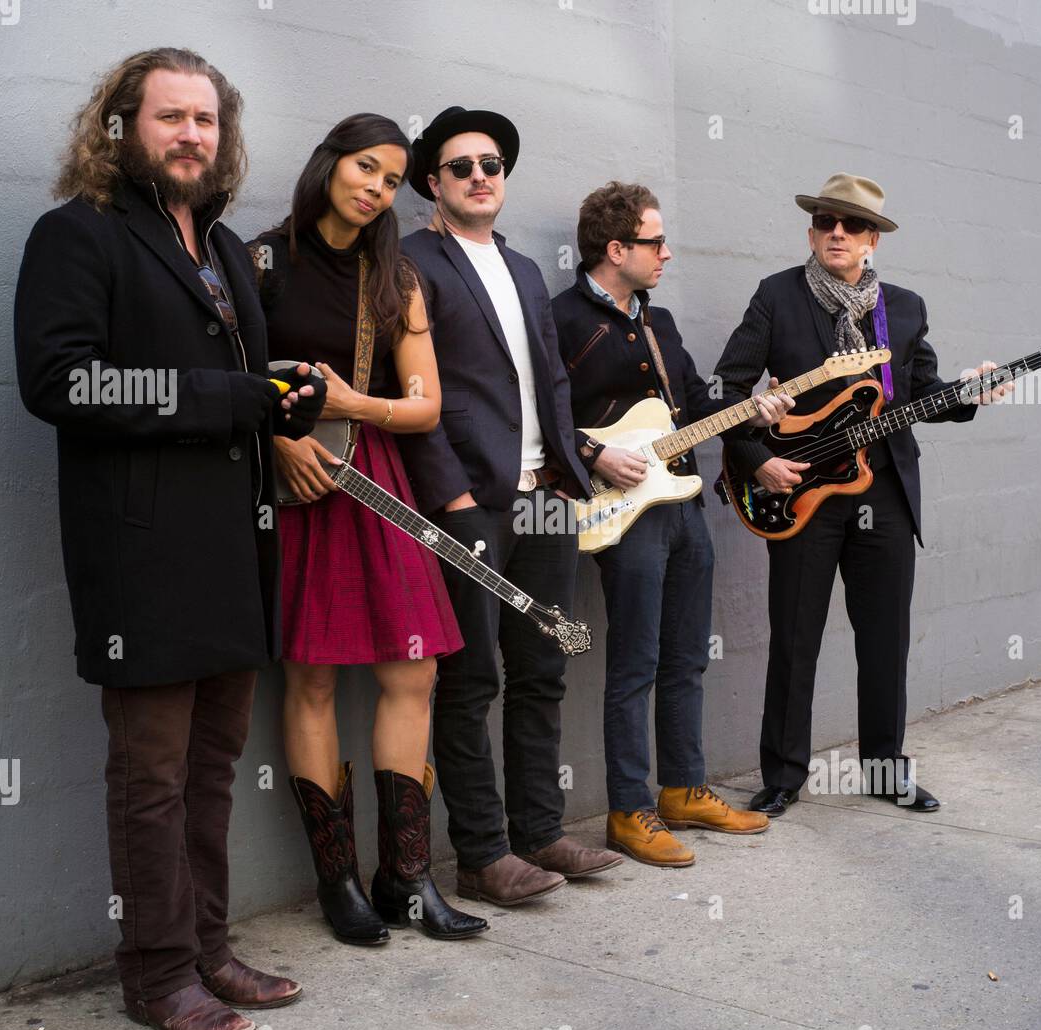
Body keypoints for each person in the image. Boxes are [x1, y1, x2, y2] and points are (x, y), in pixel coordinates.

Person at [14, 47, 327, 1030]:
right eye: (171, 117)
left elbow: (234, 374)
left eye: (207, 120)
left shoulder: (228, 248)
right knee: (149, 778)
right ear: (122, 127)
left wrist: (283, 396)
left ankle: (208, 947)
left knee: (213, 767)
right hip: (142, 560)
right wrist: (234, 397)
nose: (194, 136)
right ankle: (156, 975)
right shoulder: (78, 236)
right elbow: (64, 384)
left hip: (235, 551)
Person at [249, 113, 486, 943]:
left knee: (411, 673)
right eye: (366, 168)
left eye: (390, 179)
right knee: (309, 678)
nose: (376, 188)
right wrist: (279, 442)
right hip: (301, 484)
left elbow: (424, 406)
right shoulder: (262, 260)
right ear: (331, 163)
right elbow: (230, 379)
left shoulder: (398, 275)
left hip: (377, 478)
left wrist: (354, 404)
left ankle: (408, 877)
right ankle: (337, 883)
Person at [716, 173, 1008, 818]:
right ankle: (784, 776)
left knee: (885, 638)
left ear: (873, 239)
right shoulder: (777, 297)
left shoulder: (902, 308)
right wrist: (758, 461)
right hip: (803, 493)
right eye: (825, 222)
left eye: (851, 225)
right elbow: (727, 389)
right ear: (812, 231)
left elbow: (921, 395)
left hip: (887, 494)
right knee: (796, 636)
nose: (837, 233)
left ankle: (884, 770)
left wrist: (970, 393)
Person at [398, 106, 623, 906]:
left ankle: (540, 831)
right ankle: (483, 854)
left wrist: (567, 473)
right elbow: (413, 391)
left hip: (544, 500)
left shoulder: (526, 269)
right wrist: (451, 498)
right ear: (434, 182)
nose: (481, 176)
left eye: (492, 164)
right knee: (470, 680)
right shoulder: (410, 262)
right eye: (462, 166)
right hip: (472, 505)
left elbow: (552, 381)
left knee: (543, 667)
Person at [551, 182, 787, 866]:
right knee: (635, 665)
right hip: (623, 513)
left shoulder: (661, 324)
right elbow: (539, 408)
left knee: (687, 657)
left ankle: (684, 788)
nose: (667, 253)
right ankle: (629, 811)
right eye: (655, 242)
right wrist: (596, 453)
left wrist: (753, 408)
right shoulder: (563, 319)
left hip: (681, 502)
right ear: (615, 247)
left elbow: (691, 407)